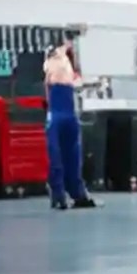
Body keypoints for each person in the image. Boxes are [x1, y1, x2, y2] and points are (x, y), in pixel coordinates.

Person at [43, 41, 96, 210]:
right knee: (56, 156)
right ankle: (58, 194)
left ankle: (78, 193)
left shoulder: (67, 64)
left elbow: (74, 81)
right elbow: (51, 77)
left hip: (68, 112)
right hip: (57, 112)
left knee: (73, 155)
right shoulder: (53, 62)